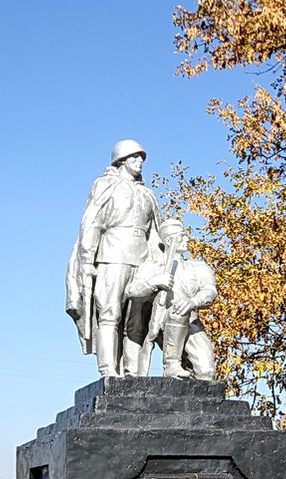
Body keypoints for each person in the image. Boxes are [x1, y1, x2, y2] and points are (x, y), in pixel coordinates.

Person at [65, 139, 164, 377]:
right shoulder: (104, 185)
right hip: (112, 255)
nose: (140, 161)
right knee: (110, 314)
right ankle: (108, 369)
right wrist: (87, 261)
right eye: (134, 157)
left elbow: (155, 233)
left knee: (137, 319)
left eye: (141, 158)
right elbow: (92, 223)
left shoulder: (147, 193)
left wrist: (159, 259)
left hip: (142, 260)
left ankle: (133, 371)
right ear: (121, 160)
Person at [126, 218, 218, 380]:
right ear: (169, 240)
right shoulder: (154, 266)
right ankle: (171, 363)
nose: (187, 239)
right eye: (182, 236)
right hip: (163, 323)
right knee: (176, 311)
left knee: (206, 372)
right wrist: (153, 282)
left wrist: (193, 302)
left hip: (191, 324)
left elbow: (210, 291)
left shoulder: (198, 267)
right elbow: (132, 290)